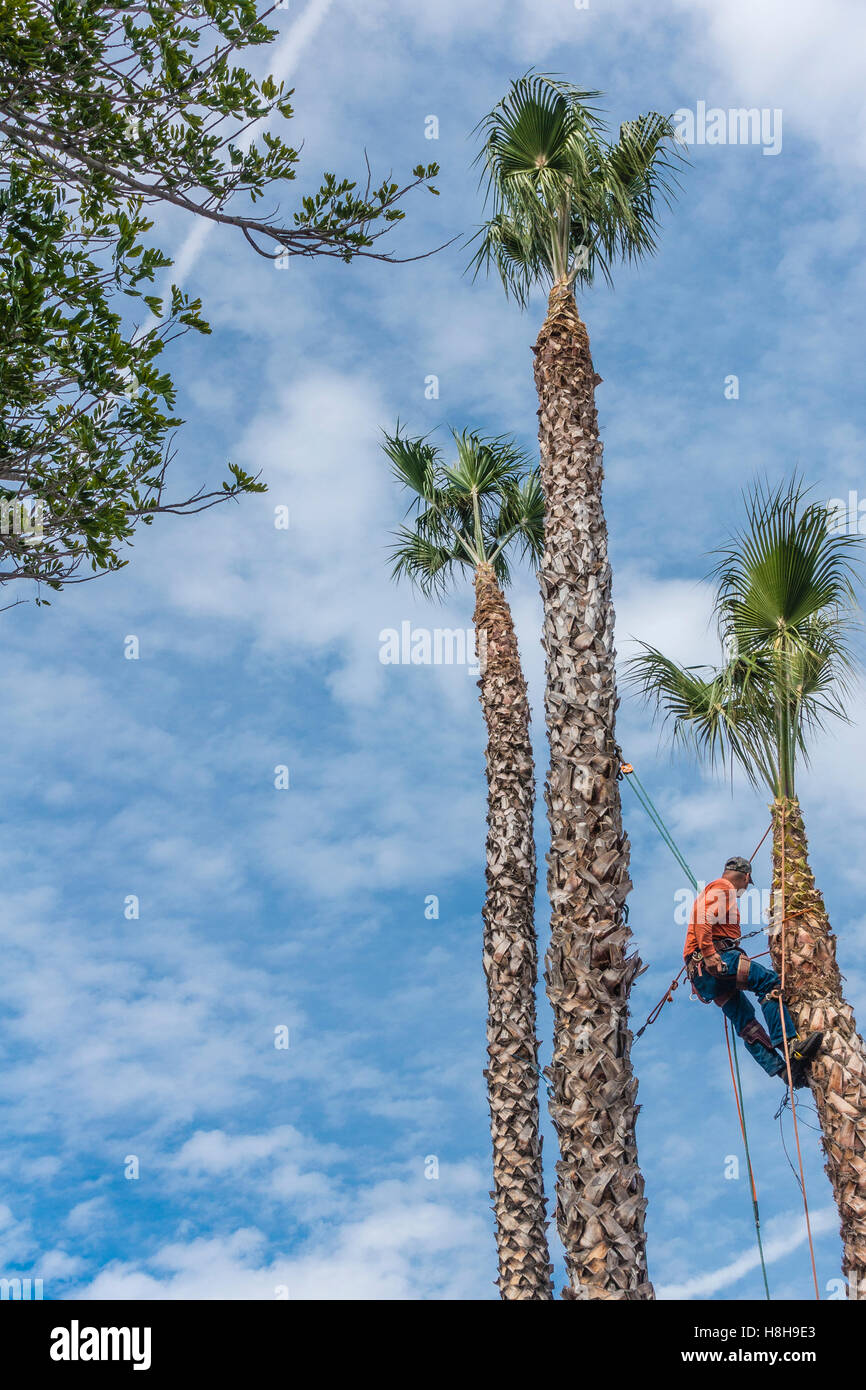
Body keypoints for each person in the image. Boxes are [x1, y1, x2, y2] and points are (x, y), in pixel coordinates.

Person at [684, 855, 822, 1087]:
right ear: (746, 877)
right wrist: (709, 953)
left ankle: (783, 1072)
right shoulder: (724, 887)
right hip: (714, 959)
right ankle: (789, 1046)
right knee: (768, 983)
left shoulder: (717, 890)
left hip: (702, 978)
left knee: (745, 1022)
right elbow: (702, 917)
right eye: (748, 884)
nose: (746, 889)